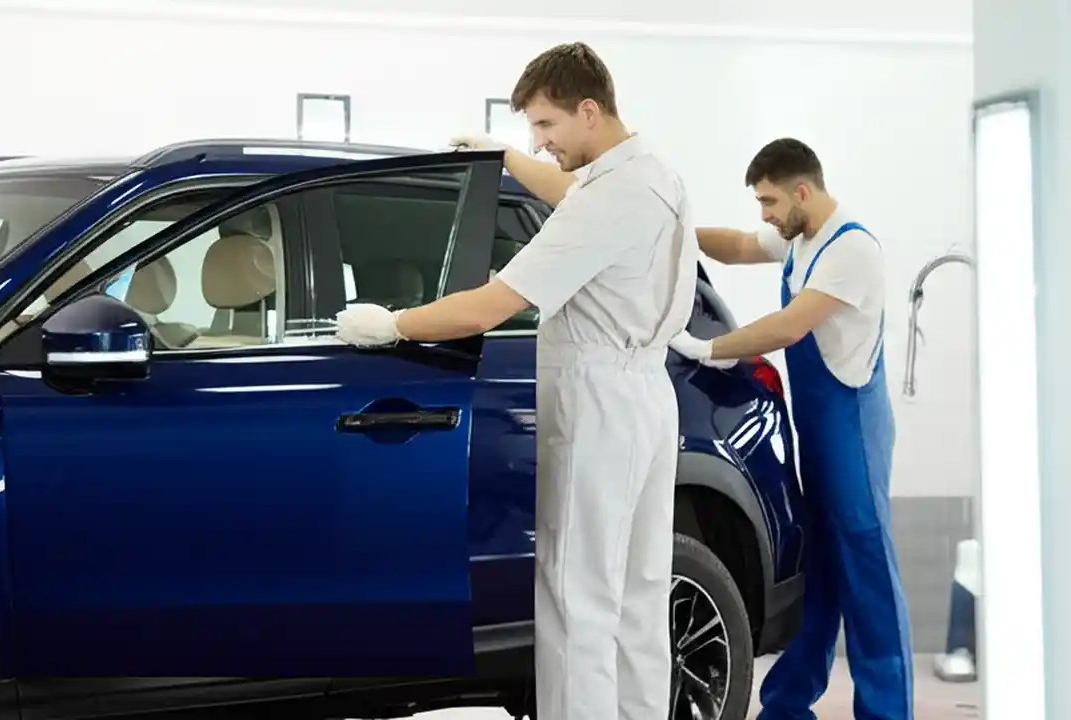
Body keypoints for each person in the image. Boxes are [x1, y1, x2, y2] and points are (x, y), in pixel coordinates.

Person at [333, 41, 698, 720]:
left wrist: (393, 325)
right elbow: (572, 193)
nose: (543, 140)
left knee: (577, 596)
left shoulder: (609, 199)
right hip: (649, 392)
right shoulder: (652, 175)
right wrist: (507, 158)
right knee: (640, 596)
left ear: (588, 112)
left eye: (547, 126)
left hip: (600, 400)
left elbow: (494, 303)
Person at [669, 138, 914, 719]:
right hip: (819, 430)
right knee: (822, 571)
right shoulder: (800, 237)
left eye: (769, 201)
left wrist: (709, 348)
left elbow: (787, 327)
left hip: (852, 428)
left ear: (801, 191)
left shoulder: (850, 249)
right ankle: (786, 703)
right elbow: (733, 245)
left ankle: (887, 711)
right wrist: (674, 233)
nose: (765, 215)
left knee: (869, 574)